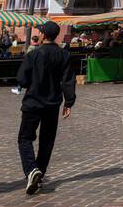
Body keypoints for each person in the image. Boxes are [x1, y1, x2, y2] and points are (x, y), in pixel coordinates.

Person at [15, 21, 77, 196]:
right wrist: (69, 102)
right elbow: (68, 80)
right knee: (47, 141)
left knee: (25, 138)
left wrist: (30, 83)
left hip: (33, 102)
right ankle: (39, 175)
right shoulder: (64, 55)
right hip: (52, 103)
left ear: (42, 35)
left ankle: (31, 169)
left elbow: (21, 78)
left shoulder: (33, 54)